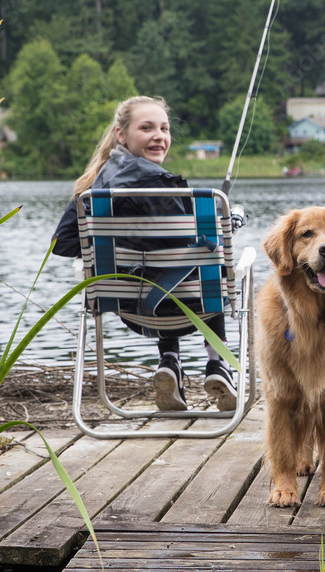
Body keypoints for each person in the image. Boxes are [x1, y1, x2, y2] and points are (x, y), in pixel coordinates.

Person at [52, 96, 237, 412]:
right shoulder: (166, 186)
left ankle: (170, 360)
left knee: (165, 266)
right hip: (195, 309)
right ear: (121, 134)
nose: (159, 136)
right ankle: (217, 362)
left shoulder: (94, 187)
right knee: (212, 260)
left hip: (130, 308)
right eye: (147, 128)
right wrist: (229, 223)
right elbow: (197, 245)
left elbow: (62, 243)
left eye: (164, 128)